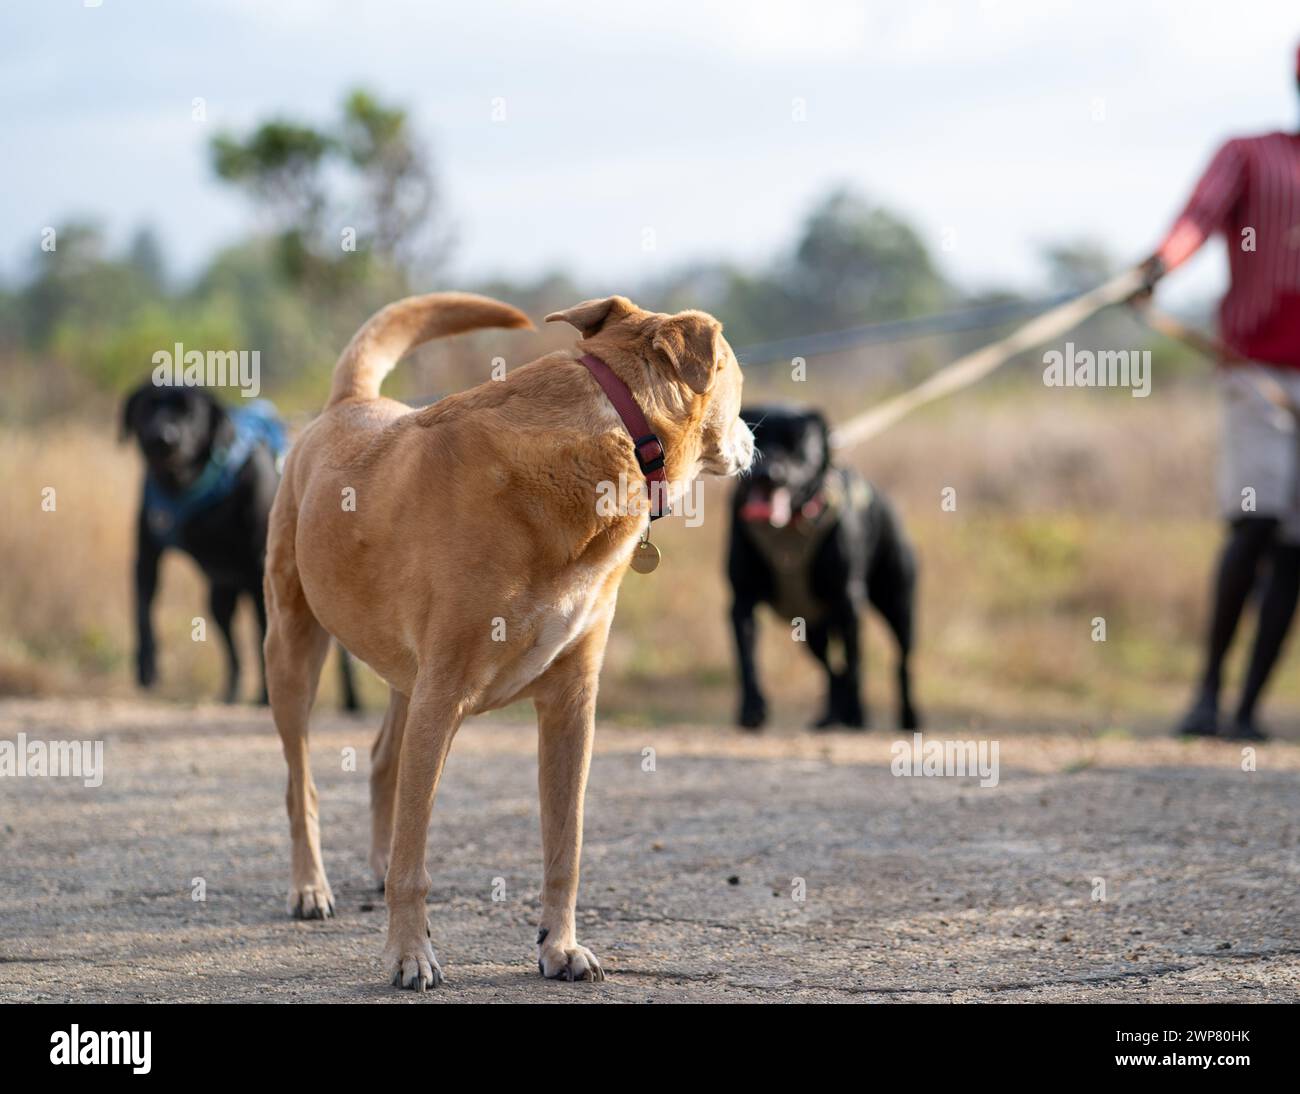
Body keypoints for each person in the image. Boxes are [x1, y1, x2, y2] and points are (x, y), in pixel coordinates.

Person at [1140, 44, 1300, 741]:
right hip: (1256, 372)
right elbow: (1197, 219)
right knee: (1258, 519)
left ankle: (1245, 709)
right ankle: (1205, 696)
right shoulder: (1251, 155)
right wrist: (1158, 266)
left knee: (1298, 543)